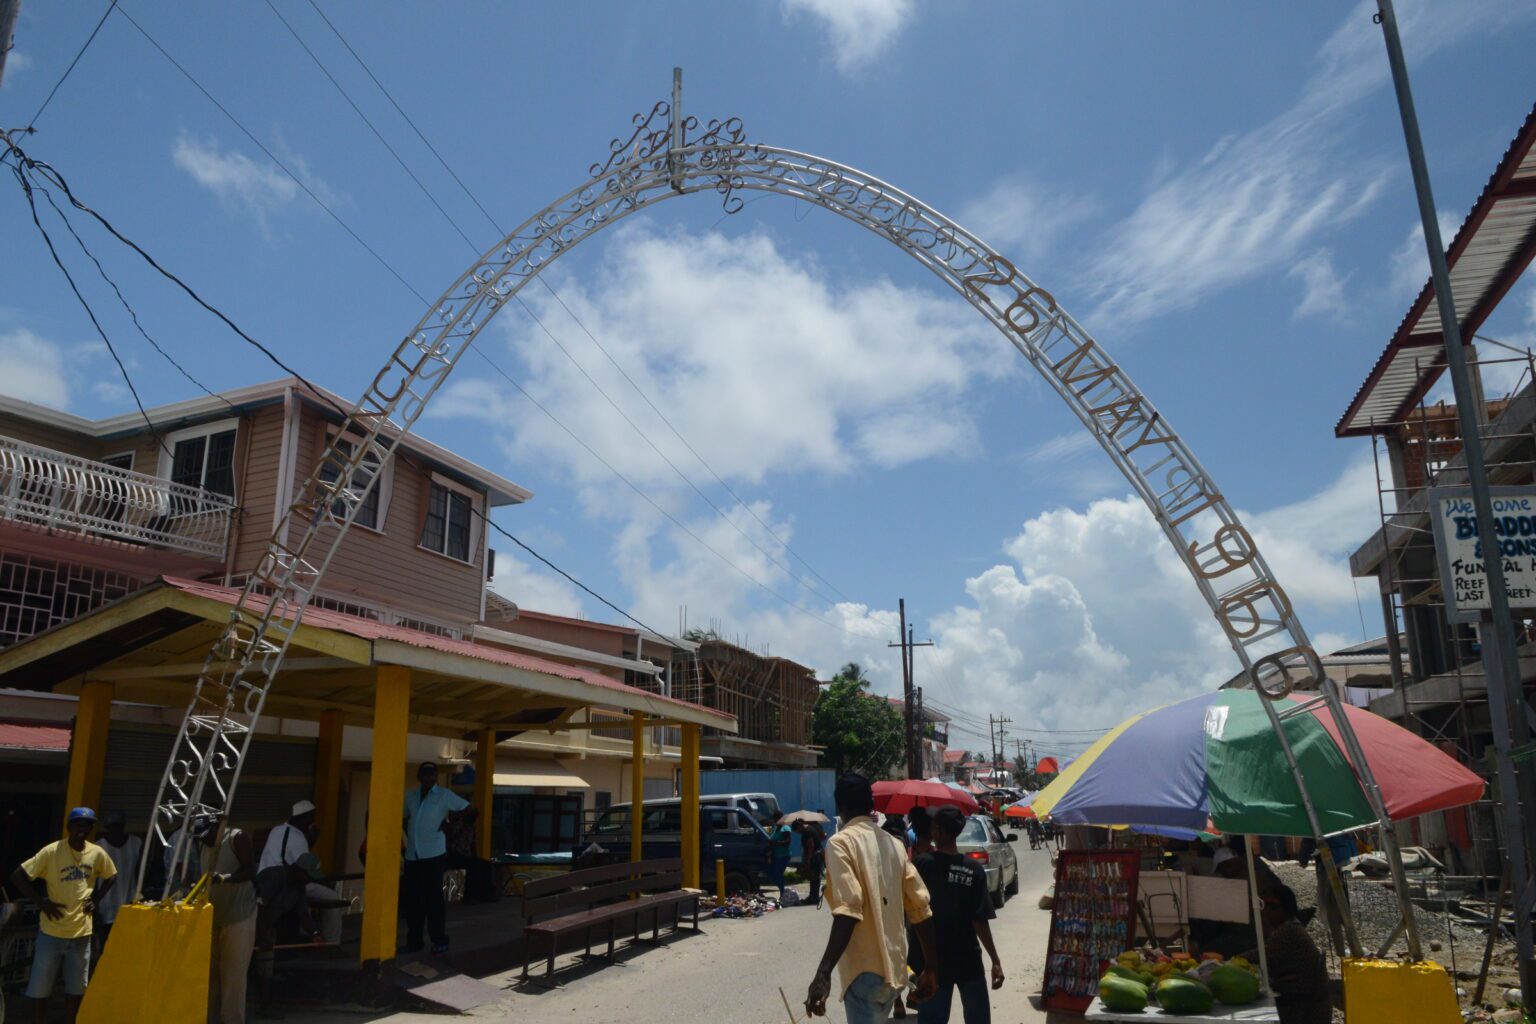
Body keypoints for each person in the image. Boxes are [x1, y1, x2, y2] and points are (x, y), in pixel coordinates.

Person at [805, 773, 938, 1024]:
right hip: (894, 973)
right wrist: (931, 966)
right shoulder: (895, 844)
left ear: (840, 807)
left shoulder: (840, 843)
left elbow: (848, 909)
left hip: (863, 973)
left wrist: (823, 973)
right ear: (871, 805)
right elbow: (920, 907)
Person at [9, 808, 117, 1024]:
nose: (82, 829)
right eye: (78, 824)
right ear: (69, 827)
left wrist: (96, 899)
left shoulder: (97, 853)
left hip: (81, 934)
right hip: (52, 932)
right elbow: (18, 876)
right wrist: (41, 903)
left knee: (76, 989)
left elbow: (111, 875)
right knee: (40, 988)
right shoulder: (52, 851)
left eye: (87, 825)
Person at [912, 807, 1003, 1024]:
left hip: (932, 961)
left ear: (940, 831)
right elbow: (979, 920)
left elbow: (911, 912)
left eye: (934, 827)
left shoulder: (922, 864)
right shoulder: (973, 869)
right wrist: (995, 960)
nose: (931, 830)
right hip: (968, 959)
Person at [402, 761, 472, 955]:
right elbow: (404, 817)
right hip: (413, 855)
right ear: (419, 777)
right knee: (413, 901)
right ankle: (414, 942)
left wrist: (450, 823)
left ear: (436, 777)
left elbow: (470, 810)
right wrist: (410, 836)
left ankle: (439, 940)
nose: (429, 778)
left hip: (433, 855)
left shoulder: (444, 795)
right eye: (425, 774)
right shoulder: (411, 796)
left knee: (433, 900)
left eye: (432, 774)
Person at [196, 812, 258, 1024]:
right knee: (210, 974)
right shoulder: (202, 843)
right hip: (214, 916)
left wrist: (225, 878)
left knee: (233, 975)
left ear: (217, 828)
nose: (203, 839)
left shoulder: (235, 838)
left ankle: (232, 1020)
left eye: (206, 835)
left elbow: (251, 870)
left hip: (239, 915)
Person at [257, 799, 342, 944]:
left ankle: (313, 935)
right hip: (280, 881)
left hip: (271, 875)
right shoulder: (298, 837)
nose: (312, 821)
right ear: (302, 817)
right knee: (333, 897)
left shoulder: (277, 830)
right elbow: (304, 868)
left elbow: (304, 863)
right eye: (311, 817)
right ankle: (332, 941)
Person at [253, 850, 325, 1017]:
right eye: (308, 875)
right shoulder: (274, 876)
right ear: (299, 870)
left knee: (265, 966)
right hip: (249, 924)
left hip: (267, 928)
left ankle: (265, 1006)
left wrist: (315, 934)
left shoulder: (298, 888)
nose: (309, 880)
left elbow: (303, 913)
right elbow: (259, 906)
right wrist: (261, 934)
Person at [1259, 885, 1331, 1024]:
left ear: (1286, 908)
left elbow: (1260, 955)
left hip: (1306, 1009)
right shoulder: (1291, 926)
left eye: (1273, 907)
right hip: (1305, 1002)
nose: (1267, 912)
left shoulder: (1289, 931)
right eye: (1264, 907)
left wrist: (1230, 961)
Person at [93, 811, 141, 948]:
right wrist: (95, 904)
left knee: (127, 943)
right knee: (106, 943)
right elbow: (93, 879)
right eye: (112, 827)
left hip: (129, 900)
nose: (116, 830)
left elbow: (140, 870)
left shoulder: (136, 843)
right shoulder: (98, 847)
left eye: (119, 826)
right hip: (106, 905)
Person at [794, 819, 827, 907]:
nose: (798, 833)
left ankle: (814, 898)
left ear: (799, 827)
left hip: (814, 856)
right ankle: (813, 896)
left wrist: (808, 859)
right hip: (817, 854)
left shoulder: (807, 831)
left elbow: (811, 846)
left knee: (814, 877)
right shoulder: (809, 828)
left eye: (797, 830)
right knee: (814, 878)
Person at [768, 813, 793, 902]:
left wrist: (776, 843)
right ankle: (782, 891)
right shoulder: (775, 828)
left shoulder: (785, 828)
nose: (775, 820)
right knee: (773, 875)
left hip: (783, 855)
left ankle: (783, 893)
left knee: (778, 874)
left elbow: (788, 841)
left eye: (776, 818)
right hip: (775, 855)